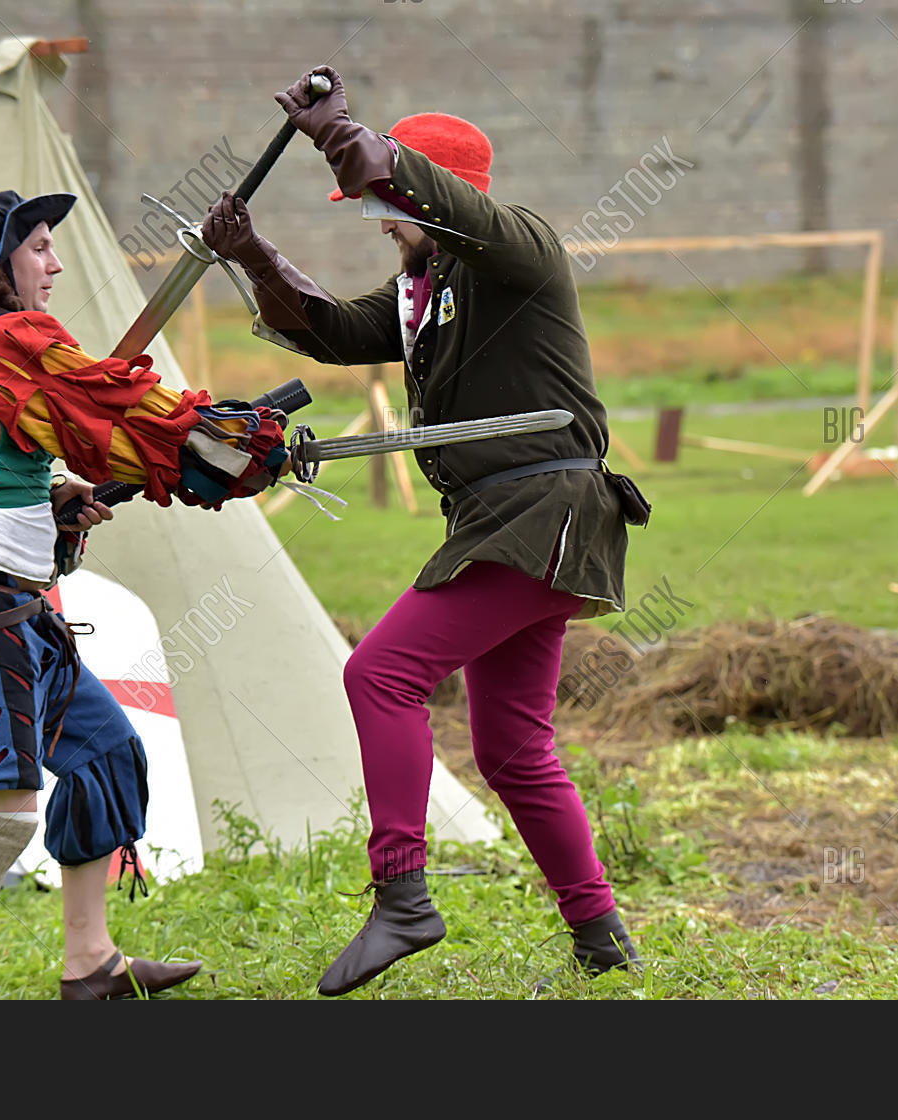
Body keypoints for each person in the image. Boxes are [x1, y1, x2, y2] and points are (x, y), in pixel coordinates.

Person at [201, 66, 649, 997]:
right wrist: (252, 254)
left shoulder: (519, 251)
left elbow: (439, 204)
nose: (381, 224)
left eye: (386, 207)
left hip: (545, 516)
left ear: (430, 195)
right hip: (506, 526)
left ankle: (404, 898)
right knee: (513, 750)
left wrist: (346, 139)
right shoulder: (424, 297)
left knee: (381, 673)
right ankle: (601, 934)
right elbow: (325, 329)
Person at [0, 189, 288, 1000]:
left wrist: (56, 498)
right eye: (37, 247)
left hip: (2, 598)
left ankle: (90, 964)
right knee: (1, 818)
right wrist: (210, 445)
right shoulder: (3, 337)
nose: (55, 263)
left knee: (104, 754)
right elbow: (108, 409)